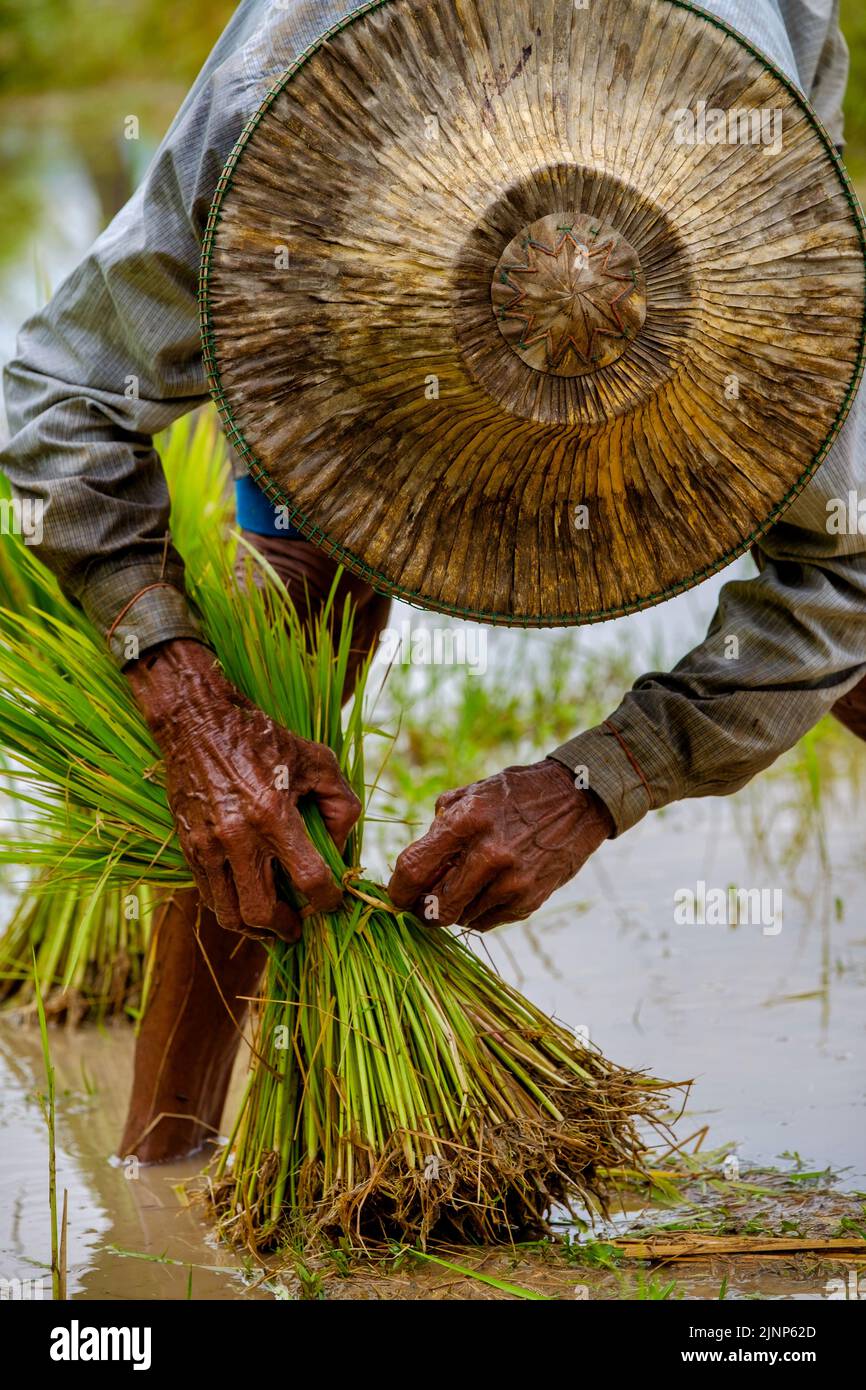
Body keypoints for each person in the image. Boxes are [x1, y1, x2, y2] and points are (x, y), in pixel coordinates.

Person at [2, 0, 864, 1162]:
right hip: (350, 318)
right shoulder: (283, 105)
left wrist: (601, 779)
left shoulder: (755, 183)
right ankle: (163, 1163)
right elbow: (58, 396)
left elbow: (838, 564)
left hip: (704, 267)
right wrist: (189, 701)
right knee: (291, 623)